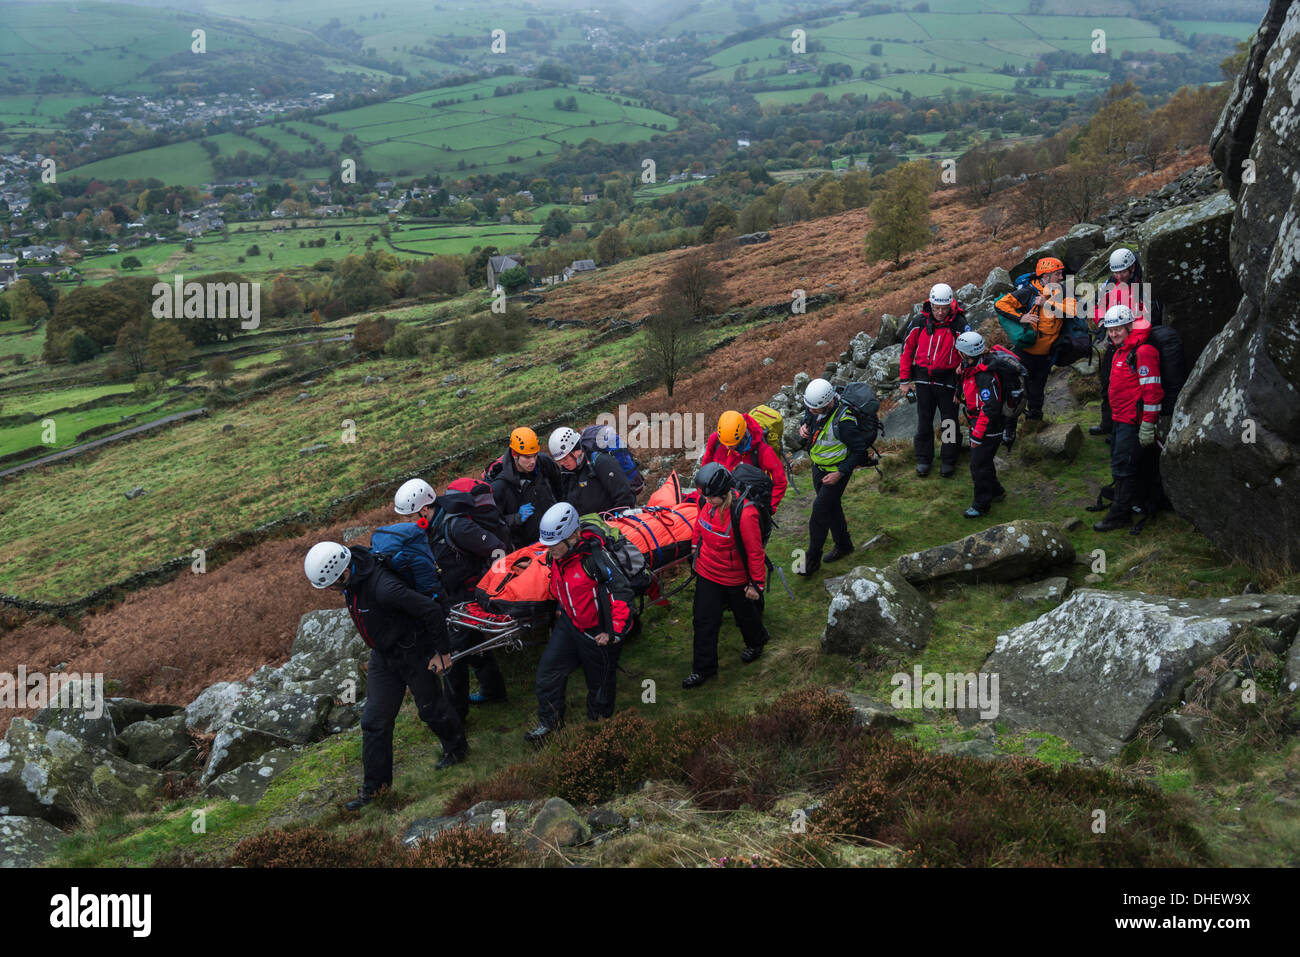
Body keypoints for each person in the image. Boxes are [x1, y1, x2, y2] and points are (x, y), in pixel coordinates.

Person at [304, 540, 467, 812]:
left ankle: (456, 748)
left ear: (343, 573)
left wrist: (443, 653)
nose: (331, 590)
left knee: (430, 708)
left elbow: (429, 610)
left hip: (414, 653)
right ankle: (376, 790)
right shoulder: (353, 578)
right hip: (383, 657)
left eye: (331, 585)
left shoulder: (384, 588)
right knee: (374, 722)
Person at [525, 503, 633, 743]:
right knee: (547, 674)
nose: (550, 549)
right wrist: (563, 608)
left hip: (599, 632)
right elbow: (561, 585)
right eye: (548, 545)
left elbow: (623, 594)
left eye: (555, 545)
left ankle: (597, 729)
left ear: (573, 536)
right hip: (571, 624)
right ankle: (549, 722)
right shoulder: (557, 558)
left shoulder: (595, 560)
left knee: (600, 687)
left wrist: (612, 633)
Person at [418, 478, 512, 714]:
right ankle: (494, 691)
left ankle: (456, 714)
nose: (411, 522)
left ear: (424, 509)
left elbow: (498, 549)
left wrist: (492, 585)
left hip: (470, 598)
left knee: (455, 655)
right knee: (476, 645)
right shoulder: (434, 528)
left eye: (411, 516)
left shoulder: (456, 527)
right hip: (456, 598)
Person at [682, 463, 769, 689]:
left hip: (734, 578)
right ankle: (704, 669)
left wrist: (756, 585)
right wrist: (694, 548)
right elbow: (700, 526)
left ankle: (757, 641)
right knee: (703, 621)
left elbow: (755, 552)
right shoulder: (706, 501)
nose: (707, 502)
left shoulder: (745, 513)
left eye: (712, 499)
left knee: (745, 616)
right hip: (708, 572)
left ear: (724, 493)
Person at [1093, 304, 1163, 532]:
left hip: (1133, 422)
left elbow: (1153, 391)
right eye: (1111, 330)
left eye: (1119, 329)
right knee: (1120, 462)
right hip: (1120, 419)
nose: (1113, 334)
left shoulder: (1142, 352)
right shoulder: (1122, 350)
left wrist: (1147, 426)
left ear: (1130, 327)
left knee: (1124, 466)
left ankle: (1119, 515)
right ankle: (1128, 501)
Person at [797, 378, 873, 577]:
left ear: (829, 403)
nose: (811, 411)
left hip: (835, 472)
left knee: (819, 513)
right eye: (810, 407)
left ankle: (811, 560)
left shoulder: (845, 422)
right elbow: (809, 413)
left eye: (815, 409)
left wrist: (839, 473)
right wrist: (804, 425)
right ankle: (844, 545)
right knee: (831, 508)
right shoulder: (817, 407)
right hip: (818, 468)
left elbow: (860, 452)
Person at [899, 282, 971, 478]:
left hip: (949, 379)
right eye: (937, 307)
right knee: (924, 420)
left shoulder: (959, 324)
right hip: (923, 378)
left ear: (950, 305)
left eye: (944, 308)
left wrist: (962, 377)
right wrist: (905, 380)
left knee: (949, 421)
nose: (940, 312)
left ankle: (948, 460)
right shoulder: (919, 322)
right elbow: (906, 351)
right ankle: (923, 459)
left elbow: (971, 352)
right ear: (930, 304)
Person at [1090, 247, 1163, 437]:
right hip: (1115, 339)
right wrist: (1102, 321)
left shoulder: (1143, 285)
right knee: (1108, 383)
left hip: (1135, 342)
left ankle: (1126, 428)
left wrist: (1130, 339)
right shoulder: (1111, 283)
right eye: (1115, 272)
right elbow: (1098, 305)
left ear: (1132, 267)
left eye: (1122, 271)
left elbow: (1149, 316)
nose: (1119, 276)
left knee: (1132, 386)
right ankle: (1109, 424)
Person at [995, 257, 1078, 422]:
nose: (1061, 278)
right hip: (1024, 352)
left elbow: (1073, 310)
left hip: (1046, 355)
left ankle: (1033, 423)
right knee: (1016, 389)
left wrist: (1047, 303)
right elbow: (1001, 304)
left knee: (1037, 390)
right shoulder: (1029, 291)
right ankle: (1009, 427)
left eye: (1061, 274)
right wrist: (1021, 317)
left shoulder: (1063, 291)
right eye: (1058, 274)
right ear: (1046, 276)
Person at [955, 331, 1008, 519]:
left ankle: (981, 505)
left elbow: (990, 407)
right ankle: (997, 491)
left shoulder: (985, 376)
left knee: (978, 466)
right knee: (984, 461)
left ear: (965, 353)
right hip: (979, 422)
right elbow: (966, 379)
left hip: (988, 426)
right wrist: (959, 392)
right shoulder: (972, 365)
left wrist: (977, 434)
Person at [484, 426, 563, 549]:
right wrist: (517, 518)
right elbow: (492, 522)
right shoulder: (500, 485)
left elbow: (561, 486)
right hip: (530, 545)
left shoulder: (544, 463)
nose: (533, 461)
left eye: (535, 455)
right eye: (527, 457)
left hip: (558, 532)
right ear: (515, 455)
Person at [700, 409, 788, 511]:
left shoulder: (762, 451)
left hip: (747, 507)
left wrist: (768, 508)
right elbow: (705, 472)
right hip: (720, 502)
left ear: (741, 435)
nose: (728, 447)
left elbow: (780, 482)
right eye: (725, 443)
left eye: (732, 444)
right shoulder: (715, 440)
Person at [549, 426, 635, 516]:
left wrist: (615, 522)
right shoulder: (566, 474)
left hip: (611, 525)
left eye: (565, 458)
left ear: (577, 451)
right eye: (559, 460)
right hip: (589, 528)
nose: (562, 463)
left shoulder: (601, 462)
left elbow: (624, 497)